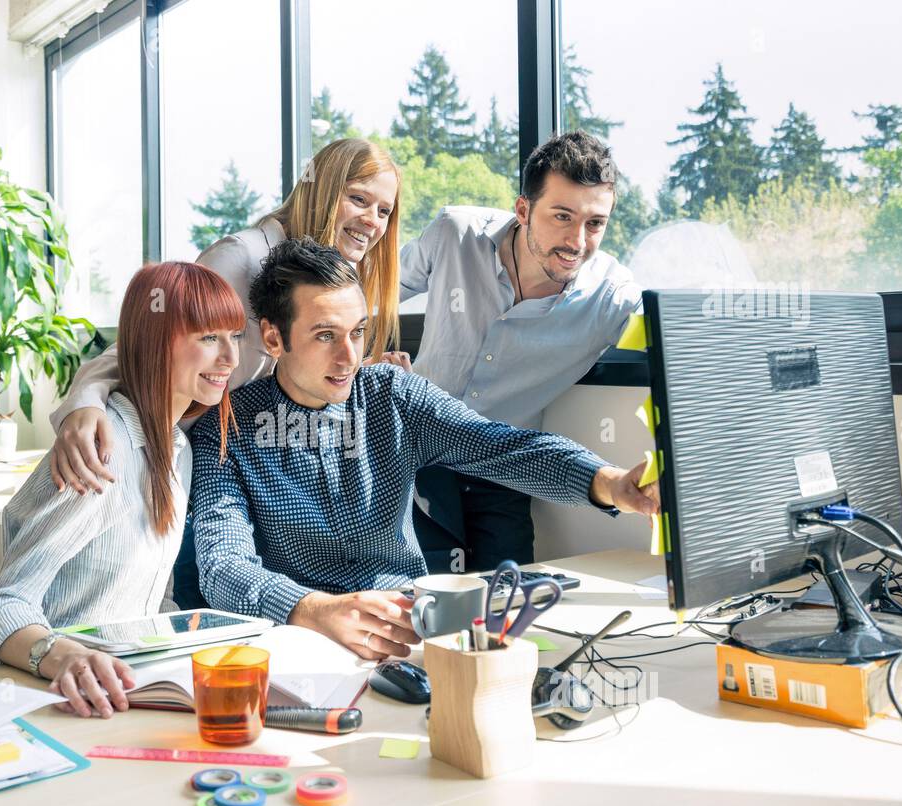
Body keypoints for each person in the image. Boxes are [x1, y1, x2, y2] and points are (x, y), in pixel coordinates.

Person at [188, 238, 658, 661]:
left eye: (357, 332)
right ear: (273, 337)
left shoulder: (395, 395)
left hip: (413, 634)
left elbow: (505, 446)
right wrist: (312, 608)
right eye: (325, 336)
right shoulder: (224, 430)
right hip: (305, 646)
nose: (350, 357)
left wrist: (608, 482)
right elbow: (221, 563)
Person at [46, 137, 408, 497]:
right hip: (145, 459)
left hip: (224, 468)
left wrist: (363, 370)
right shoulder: (241, 258)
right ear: (322, 190)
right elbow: (144, 345)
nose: (372, 221)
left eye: (383, 211)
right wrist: (85, 404)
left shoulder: (335, 279)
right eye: (359, 199)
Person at [0, 261, 245, 717]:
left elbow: (147, 600)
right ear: (156, 342)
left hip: (125, 694)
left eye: (235, 337)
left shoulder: (178, 449)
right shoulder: (101, 451)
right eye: (209, 338)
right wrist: (65, 656)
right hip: (57, 700)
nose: (230, 359)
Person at [401, 130, 643, 573]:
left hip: (505, 469)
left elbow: (677, 347)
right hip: (419, 457)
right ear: (523, 210)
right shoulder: (454, 233)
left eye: (595, 223)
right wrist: (367, 356)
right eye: (562, 217)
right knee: (417, 597)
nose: (577, 241)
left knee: (509, 605)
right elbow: (369, 293)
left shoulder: (611, 296)